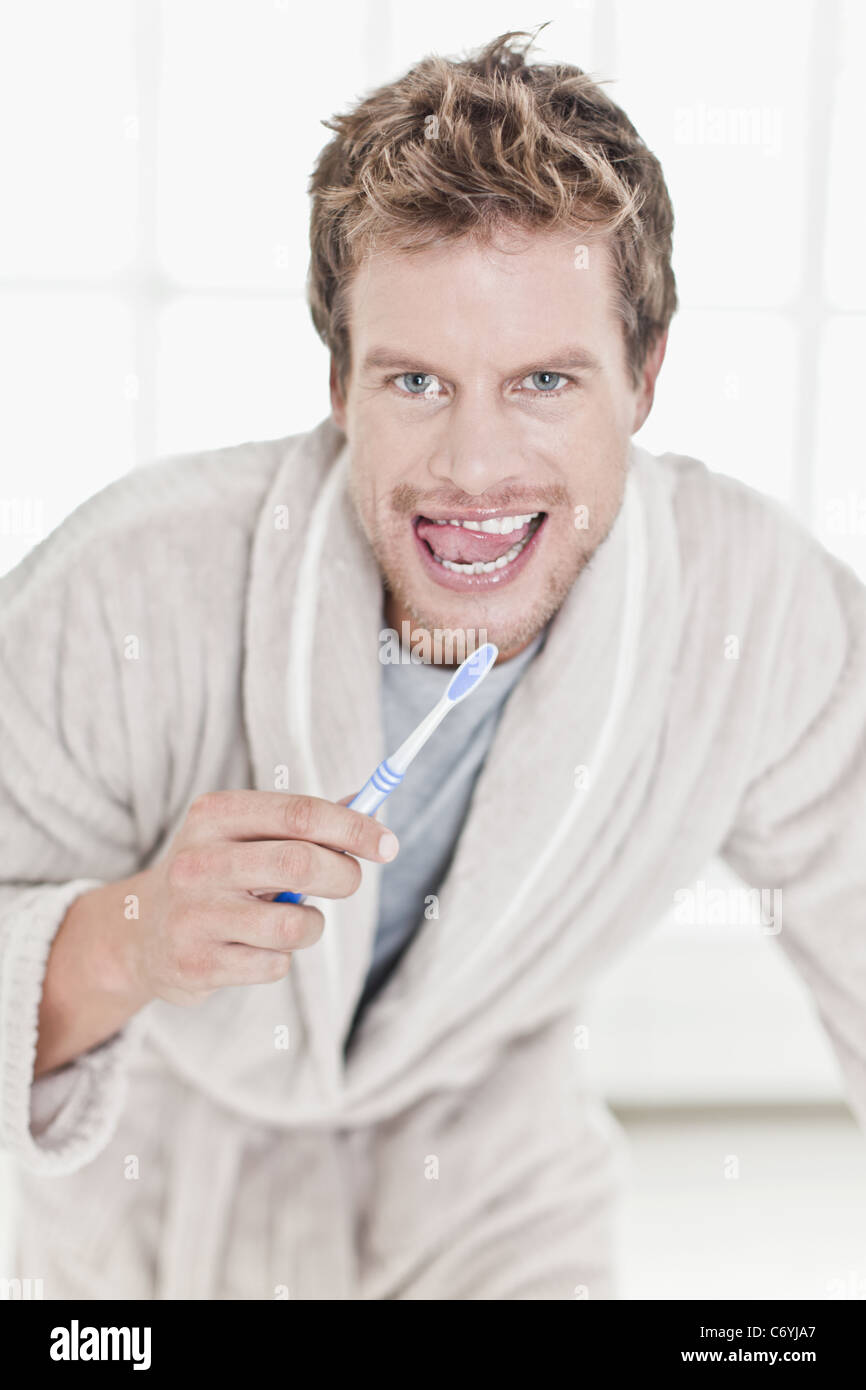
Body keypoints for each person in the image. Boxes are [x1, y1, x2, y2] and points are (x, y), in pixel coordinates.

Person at [1, 29, 864, 1301]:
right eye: (415, 378)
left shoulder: (760, 620)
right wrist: (126, 936)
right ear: (338, 382)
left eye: (543, 382)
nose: (471, 468)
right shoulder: (120, 590)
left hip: (490, 1203)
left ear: (644, 376)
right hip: (132, 1220)